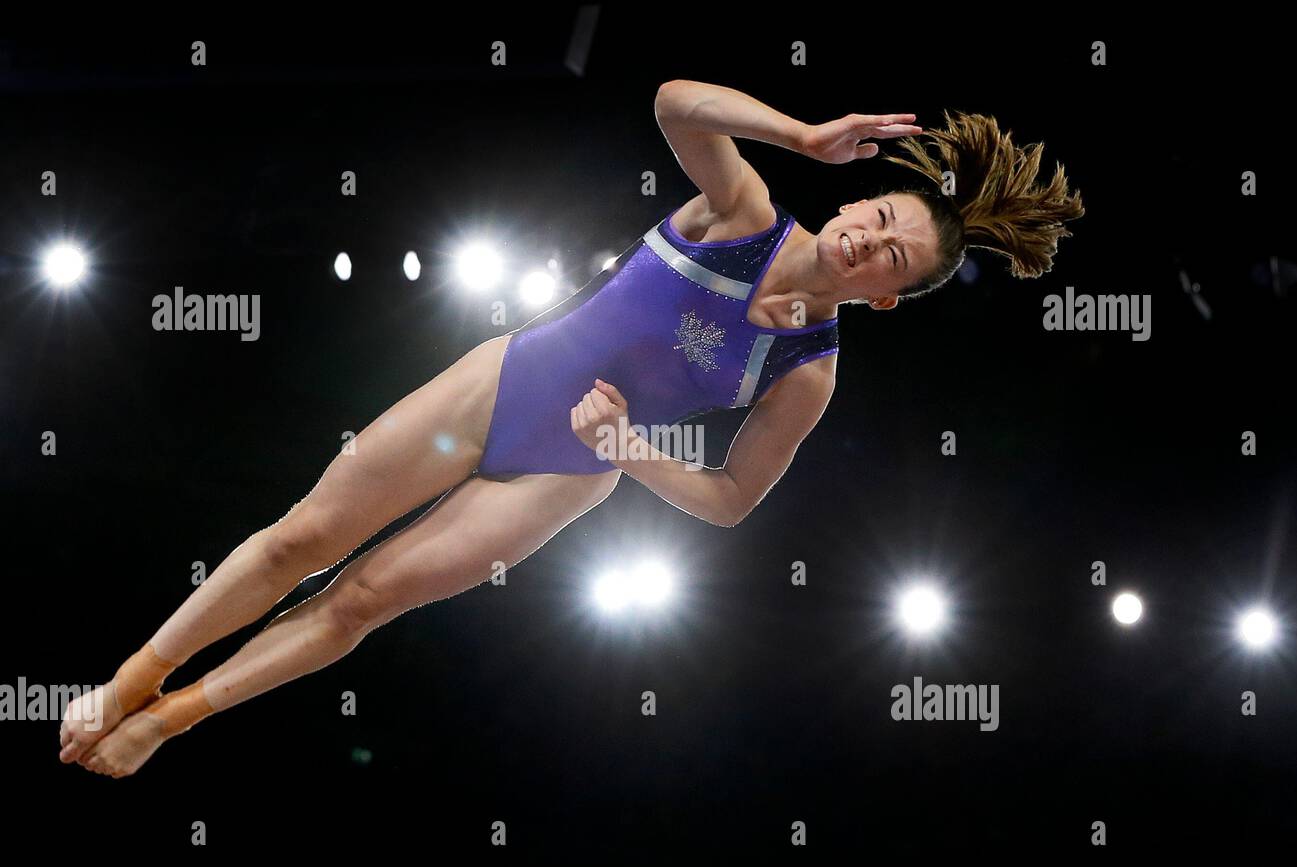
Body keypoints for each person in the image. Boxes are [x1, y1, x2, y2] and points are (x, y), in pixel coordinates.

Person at [60, 79, 1083, 777]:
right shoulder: (744, 212)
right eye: (878, 214)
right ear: (858, 195)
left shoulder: (807, 375)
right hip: (506, 380)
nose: (866, 238)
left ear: (890, 296)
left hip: (569, 471)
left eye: (890, 256)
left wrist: (631, 451)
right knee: (300, 540)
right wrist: (802, 133)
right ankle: (129, 680)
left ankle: (169, 721)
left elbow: (729, 502)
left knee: (361, 599)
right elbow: (674, 101)